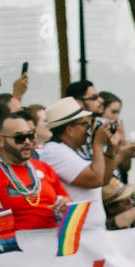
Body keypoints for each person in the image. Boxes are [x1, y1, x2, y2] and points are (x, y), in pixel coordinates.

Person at [38, 96, 117, 230]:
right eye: (85, 124)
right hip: (75, 231)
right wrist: (98, 144)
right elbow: (95, 179)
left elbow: (104, 179)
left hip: (91, 230)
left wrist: (111, 148)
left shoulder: (75, 150)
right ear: (69, 129)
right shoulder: (54, 151)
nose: (88, 129)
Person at [0, 109, 70, 231]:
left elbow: (67, 202)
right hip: (13, 246)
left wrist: (65, 205)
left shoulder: (44, 167)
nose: (27, 142)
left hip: (50, 241)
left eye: (30, 136)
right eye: (19, 138)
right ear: (0, 141)